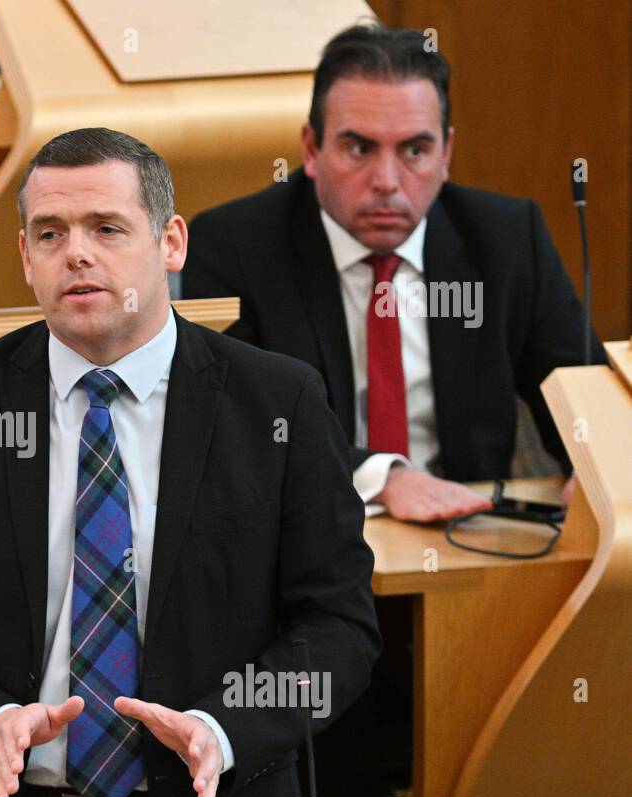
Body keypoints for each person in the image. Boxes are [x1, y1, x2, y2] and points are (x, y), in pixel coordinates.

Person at [0, 127, 380, 797]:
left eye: (106, 228)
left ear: (171, 243)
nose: (76, 253)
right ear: (25, 257)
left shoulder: (276, 402)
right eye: (50, 233)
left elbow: (340, 630)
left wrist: (227, 727)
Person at [182, 23, 601, 525]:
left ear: (445, 153)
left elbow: (581, 397)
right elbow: (238, 426)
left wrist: (595, 463)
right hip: (298, 538)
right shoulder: (232, 247)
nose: (386, 182)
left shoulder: (507, 240)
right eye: (359, 149)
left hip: (467, 544)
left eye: (414, 151)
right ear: (312, 150)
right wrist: (385, 478)